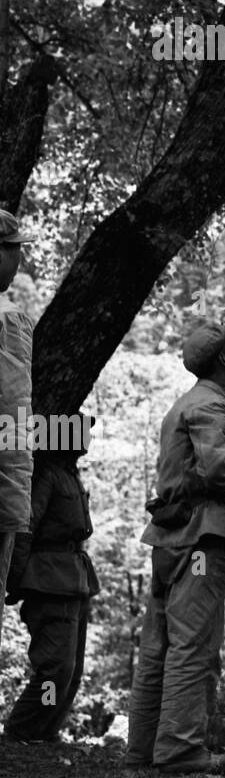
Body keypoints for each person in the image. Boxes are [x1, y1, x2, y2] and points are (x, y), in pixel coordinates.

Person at [126, 322, 225, 774]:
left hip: (171, 536)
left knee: (159, 645)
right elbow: (221, 471)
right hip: (200, 536)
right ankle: (181, 750)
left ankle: (144, 750)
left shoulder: (186, 403)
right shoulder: (211, 405)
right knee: (194, 643)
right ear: (223, 358)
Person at [4, 415, 98, 743]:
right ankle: (22, 733)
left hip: (74, 581)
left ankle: (44, 734)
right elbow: (24, 527)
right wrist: (13, 580)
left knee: (70, 672)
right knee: (55, 671)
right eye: (80, 430)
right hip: (48, 583)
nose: (88, 436)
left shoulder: (70, 475)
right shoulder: (46, 476)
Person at [0, 210, 32, 656]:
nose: (21, 260)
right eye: (14, 250)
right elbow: (11, 418)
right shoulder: (8, 322)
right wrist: (14, 513)